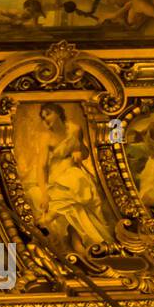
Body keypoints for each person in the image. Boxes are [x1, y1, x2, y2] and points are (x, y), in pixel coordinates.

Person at [35, 103, 111, 251]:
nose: (46, 119)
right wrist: (44, 193)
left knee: (77, 180)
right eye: (43, 117)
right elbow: (42, 166)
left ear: (58, 113)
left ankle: (54, 223)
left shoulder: (75, 129)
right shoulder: (46, 137)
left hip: (73, 172)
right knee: (75, 181)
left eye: (48, 114)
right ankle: (50, 220)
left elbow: (85, 154)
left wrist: (79, 152)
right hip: (57, 176)